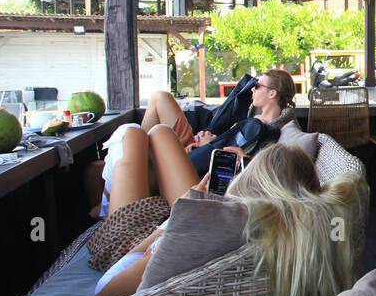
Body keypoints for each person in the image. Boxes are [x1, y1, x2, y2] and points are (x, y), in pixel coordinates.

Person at [96, 144, 367, 296]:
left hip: (131, 286)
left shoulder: (199, 228)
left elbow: (106, 289)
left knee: (134, 138)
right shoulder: (305, 235)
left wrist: (169, 223)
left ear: (248, 183)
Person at [94, 69, 299, 216]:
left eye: (257, 86)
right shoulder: (253, 120)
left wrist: (236, 156)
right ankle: (112, 195)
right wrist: (207, 143)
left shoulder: (268, 132)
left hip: (199, 179)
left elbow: (264, 173)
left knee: (146, 132)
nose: (252, 90)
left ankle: (109, 202)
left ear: (272, 93)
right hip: (196, 157)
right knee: (146, 129)